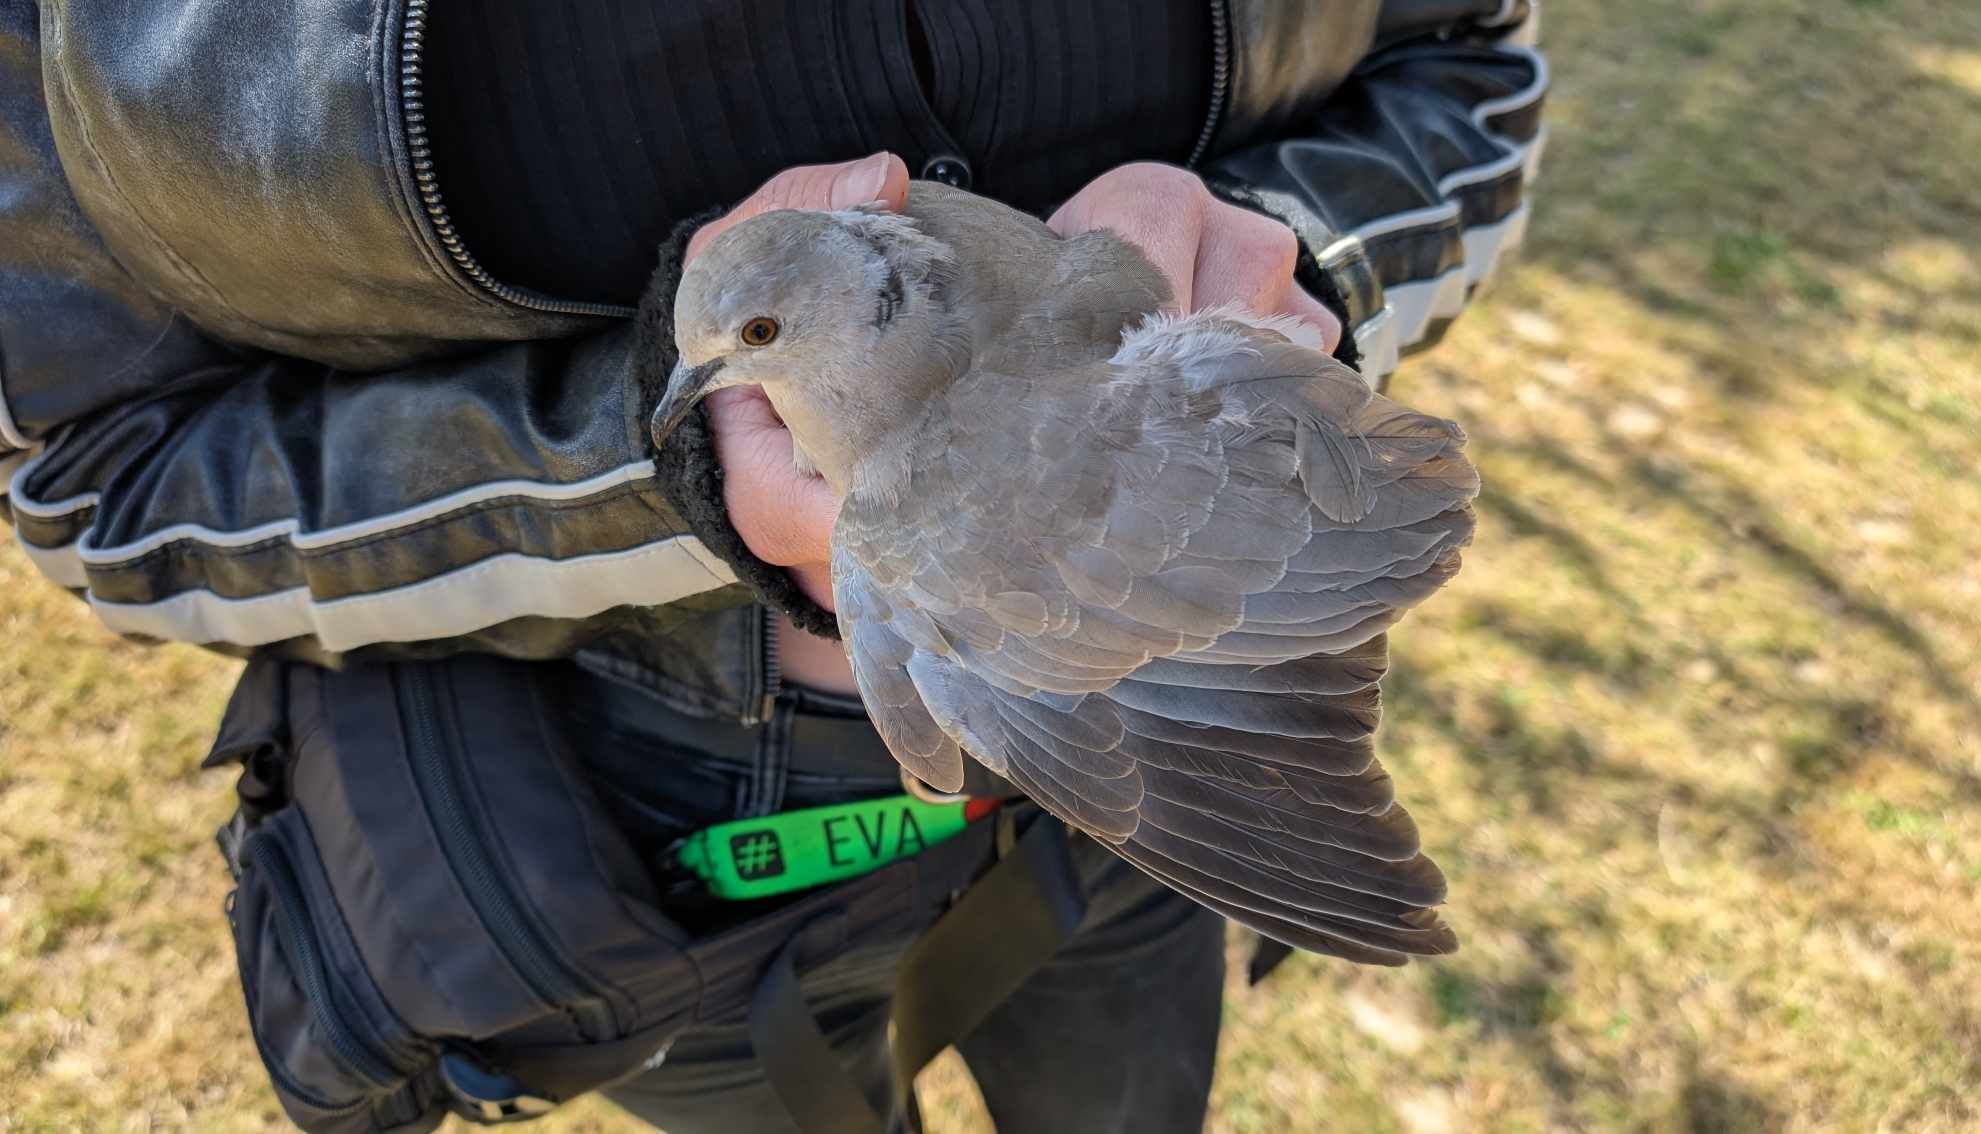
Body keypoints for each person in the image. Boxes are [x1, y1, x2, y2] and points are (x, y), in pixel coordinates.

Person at [0, 1, 1546, 1129]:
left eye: (733, 351)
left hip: (1119, 733)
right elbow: (97, 475)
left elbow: (1467, 79)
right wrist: (668, 470)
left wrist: (1269, 291)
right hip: (643, 826)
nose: (711, 377)